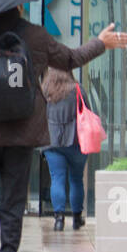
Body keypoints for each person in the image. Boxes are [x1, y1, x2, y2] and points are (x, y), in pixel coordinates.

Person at [0, 6, 127, 252]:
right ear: (20, 6)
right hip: (22, 134)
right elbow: (71, 59)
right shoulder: (35, 36)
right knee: (13, 204)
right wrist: (101, 42)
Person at [42, 67, 88, 232]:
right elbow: (88, 112)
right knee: (76, 179)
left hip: (52, 143)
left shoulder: (45, 90)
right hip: (76, 141)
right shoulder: (77, 89)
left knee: (57, 179)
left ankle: (59, 220)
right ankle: (76, 219)